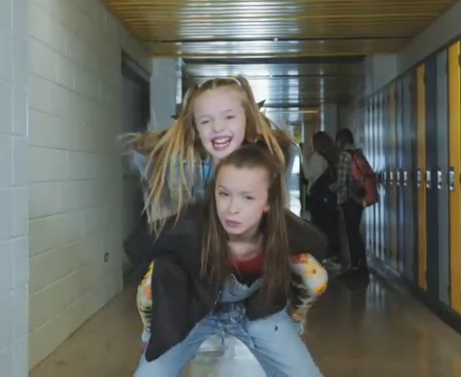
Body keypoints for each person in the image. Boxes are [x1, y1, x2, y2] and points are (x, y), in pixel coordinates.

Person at [128, 76, 328, 350]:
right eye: (206, 121)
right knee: (150, 282)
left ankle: (295, 319)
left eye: (229, 117)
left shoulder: (265, 161)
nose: (218, 128)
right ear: (196, 128)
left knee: (315, 277)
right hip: (206, 253)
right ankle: (152, 331)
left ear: (247, 119)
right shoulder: (187, 167)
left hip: (252, 256)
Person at [135, 144, 325, 376]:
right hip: (193, 310)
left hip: (258, 311)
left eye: (248, 197)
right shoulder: (185, 231)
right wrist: (151, 332)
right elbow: (146, 280)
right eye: (224, 194)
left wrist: (295, 322)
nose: (232, 209)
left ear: (268, 203)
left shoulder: (287, 234)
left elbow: (316, 271)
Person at [332, 128, 372, 274]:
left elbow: (342, 181)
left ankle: (356, 265)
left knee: (351, 233)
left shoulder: (344, 155)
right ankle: (361, 264)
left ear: (340, 141)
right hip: (358, 198)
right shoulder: (358, 154)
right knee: (355, 232)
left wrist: (331, 188)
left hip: (349, 200)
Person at [303, 131, 342, 270]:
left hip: (318, 199)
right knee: (329, 228)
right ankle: (332, 257)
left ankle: (324, 257)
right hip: (327, 199)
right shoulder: (329, 157)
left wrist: (303, 158)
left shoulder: (316, 158)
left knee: (319, 229)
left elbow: (308, 175)